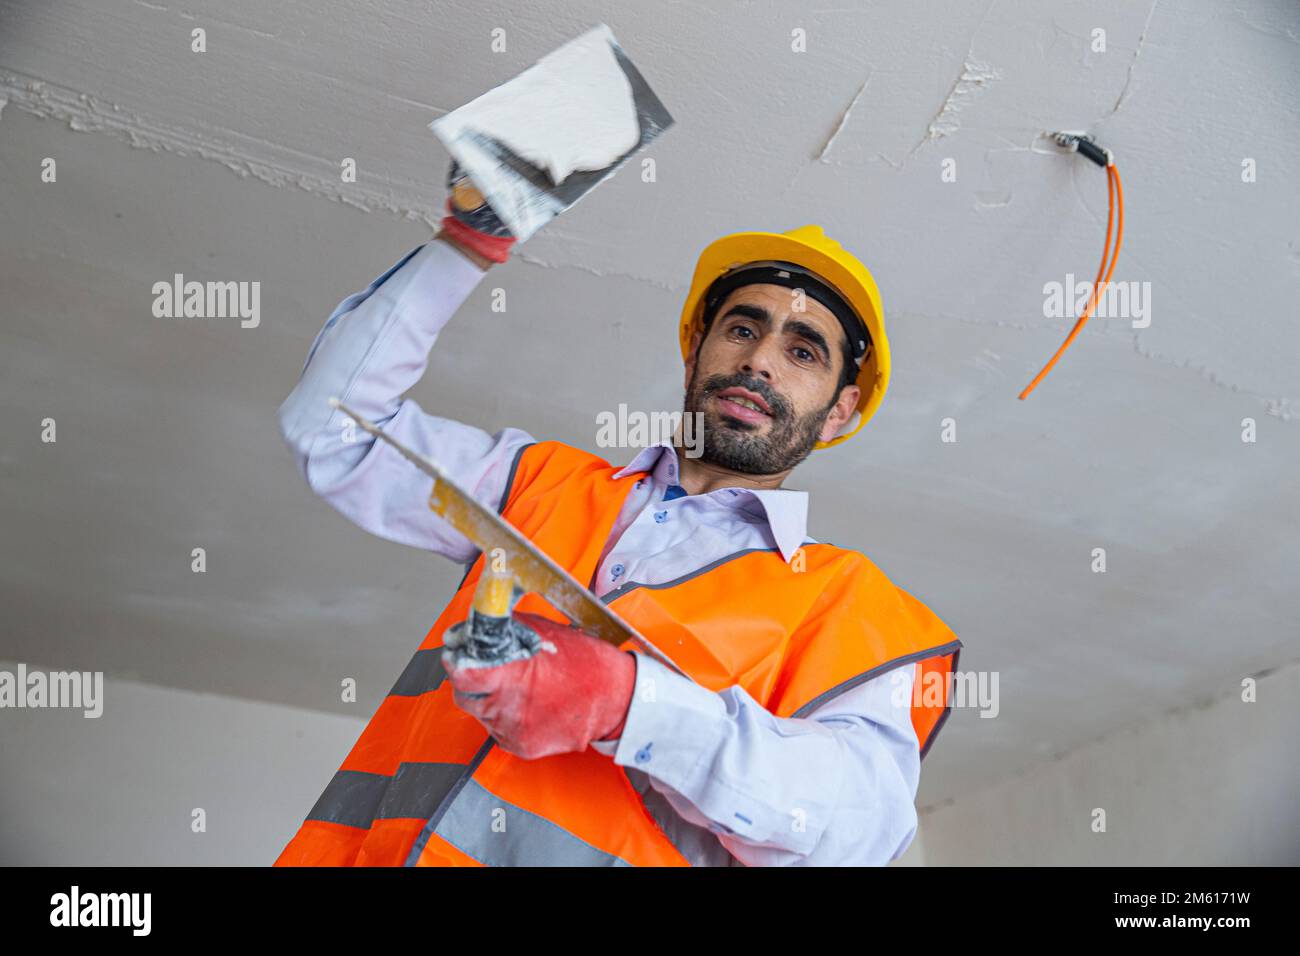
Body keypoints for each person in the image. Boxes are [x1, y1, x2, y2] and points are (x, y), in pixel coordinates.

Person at [272, 164, 962, 866]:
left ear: (839, 410)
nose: (759, 362)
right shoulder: (539, 485)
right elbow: (333, 430)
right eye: (743, 328)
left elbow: (859, 830)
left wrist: (629, 704)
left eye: (803, 351)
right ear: (695, 349)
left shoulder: (848, 605)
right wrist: (466, 243)